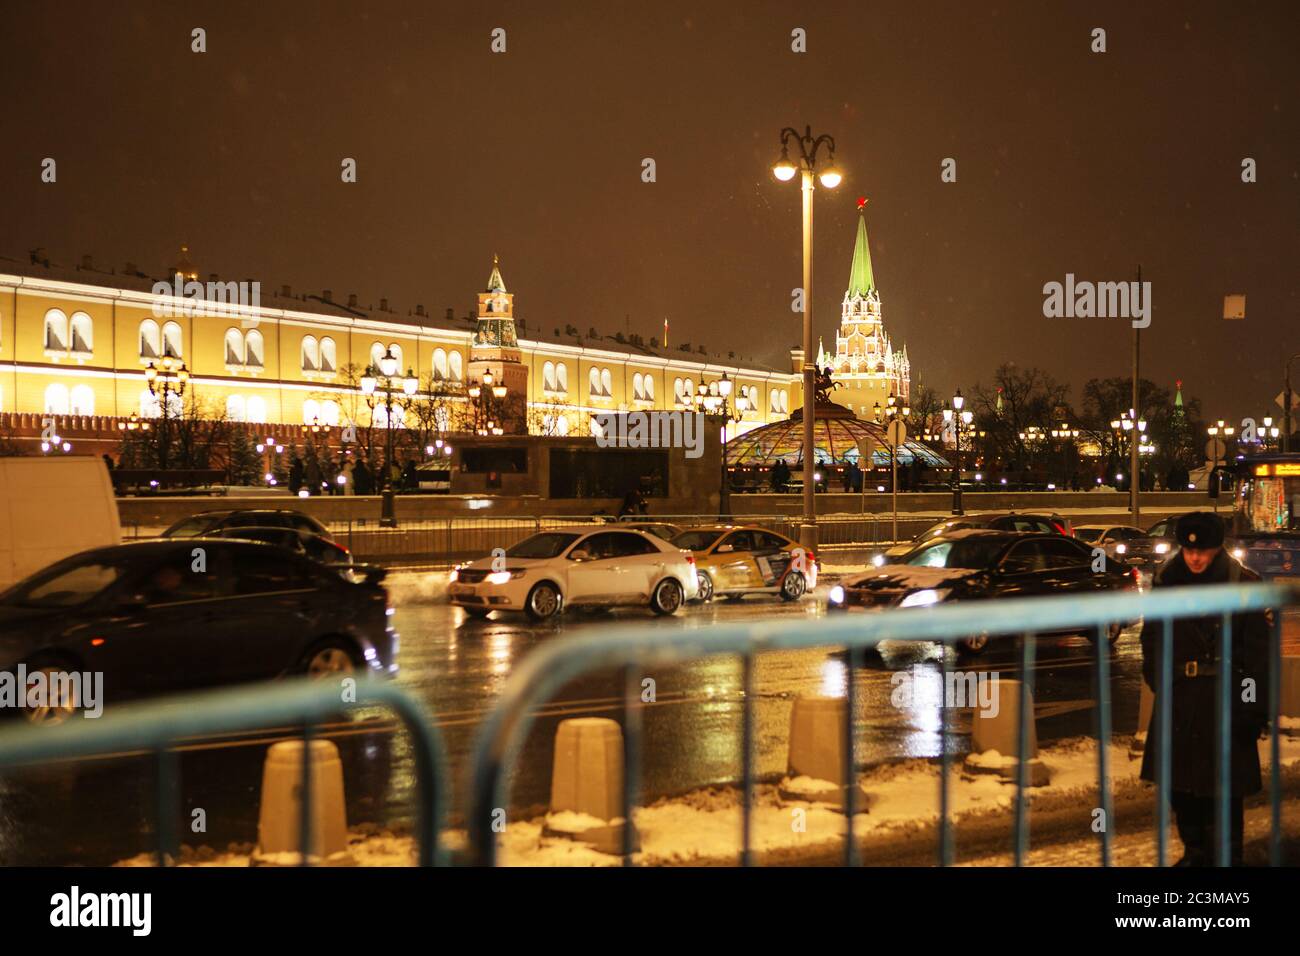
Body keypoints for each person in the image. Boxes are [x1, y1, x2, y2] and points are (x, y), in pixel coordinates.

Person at [1139, 511, 1271, 866]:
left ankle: (1226, 855)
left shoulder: (1242, 584)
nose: (1195, 557)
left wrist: (1251, 707)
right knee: (1179, 786)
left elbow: (1257, 656)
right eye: (1188, 550)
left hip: (1225, 700)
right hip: (1180, 697)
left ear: (1217, 549)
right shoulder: (1167, 580)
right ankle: (1194, 850)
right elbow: (1151, 636)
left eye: (1203, 551)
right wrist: (1158, 679)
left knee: (1224, 791)